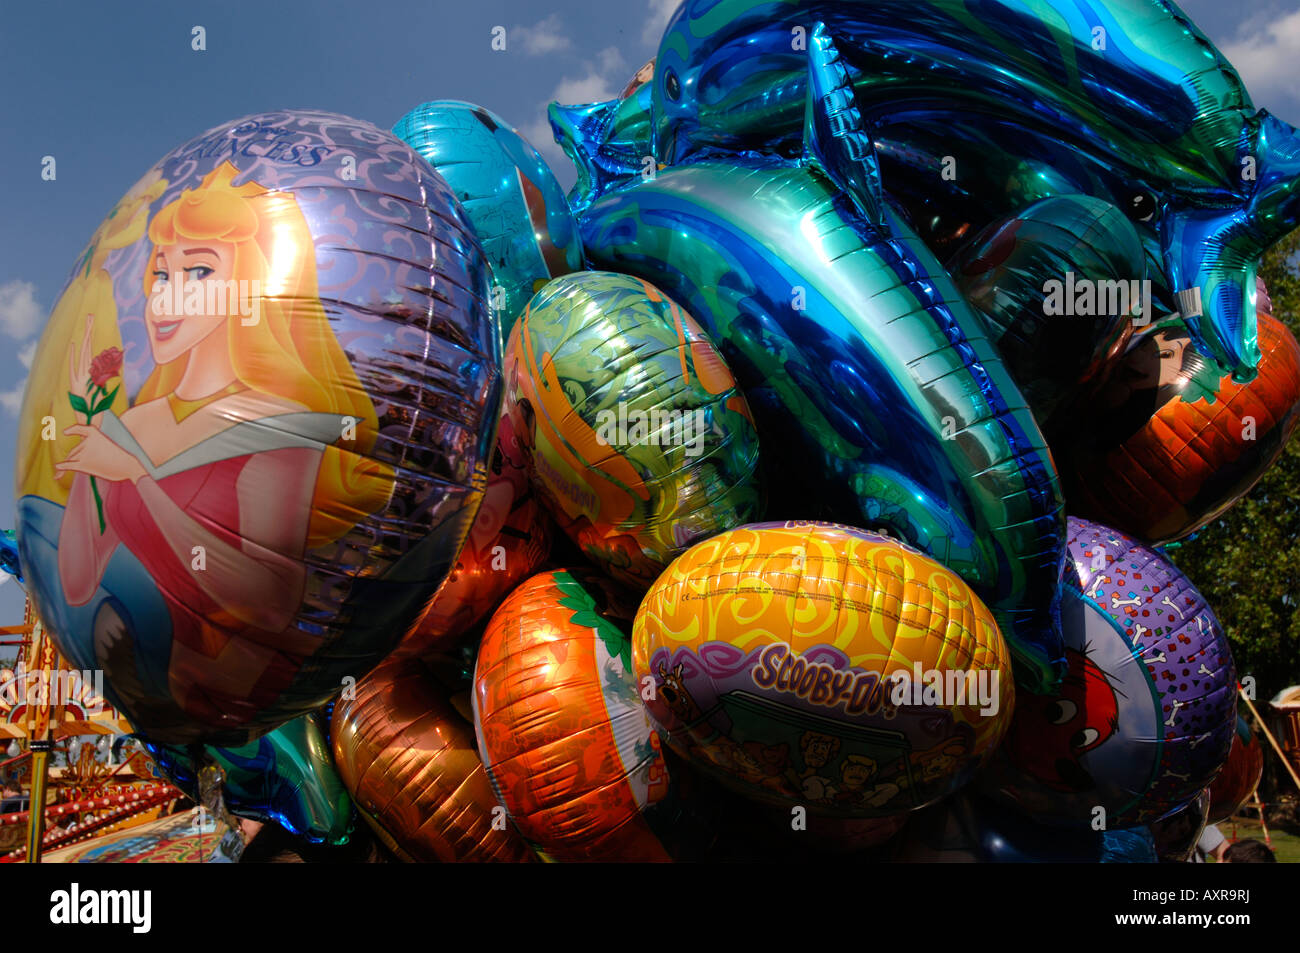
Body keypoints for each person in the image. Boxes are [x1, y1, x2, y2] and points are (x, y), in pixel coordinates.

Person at [54, 161, 393, 742]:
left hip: (240, 693)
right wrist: (92, 458)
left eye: (200, 271)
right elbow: (79, 584)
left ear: (250, 290)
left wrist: (136, 479)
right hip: (151, 691)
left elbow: (271, 599)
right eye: (162, 275)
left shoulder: (279, 421)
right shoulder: (134, 422)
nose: (167, 298)